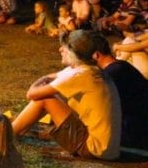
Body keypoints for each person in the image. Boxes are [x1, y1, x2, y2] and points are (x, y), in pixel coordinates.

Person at [11, 30, 121, 160]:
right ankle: (17, 130)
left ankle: (8, 135)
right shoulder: (88, 70)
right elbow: (56, 76)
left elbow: (31, 94)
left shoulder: (80, 75)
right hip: (107, 149)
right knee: (56, 95)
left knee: (45, 99)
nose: (60, 50)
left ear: (74, 54)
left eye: (64, 48)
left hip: (93, 148)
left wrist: (43, 79)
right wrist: (47, 78)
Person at [92, 34, 148, 150]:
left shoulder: (108, 77)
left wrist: (118, 46)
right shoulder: (121, 67)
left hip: (132, 134)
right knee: (129, 40)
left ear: (96, 55)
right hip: (138, 127)